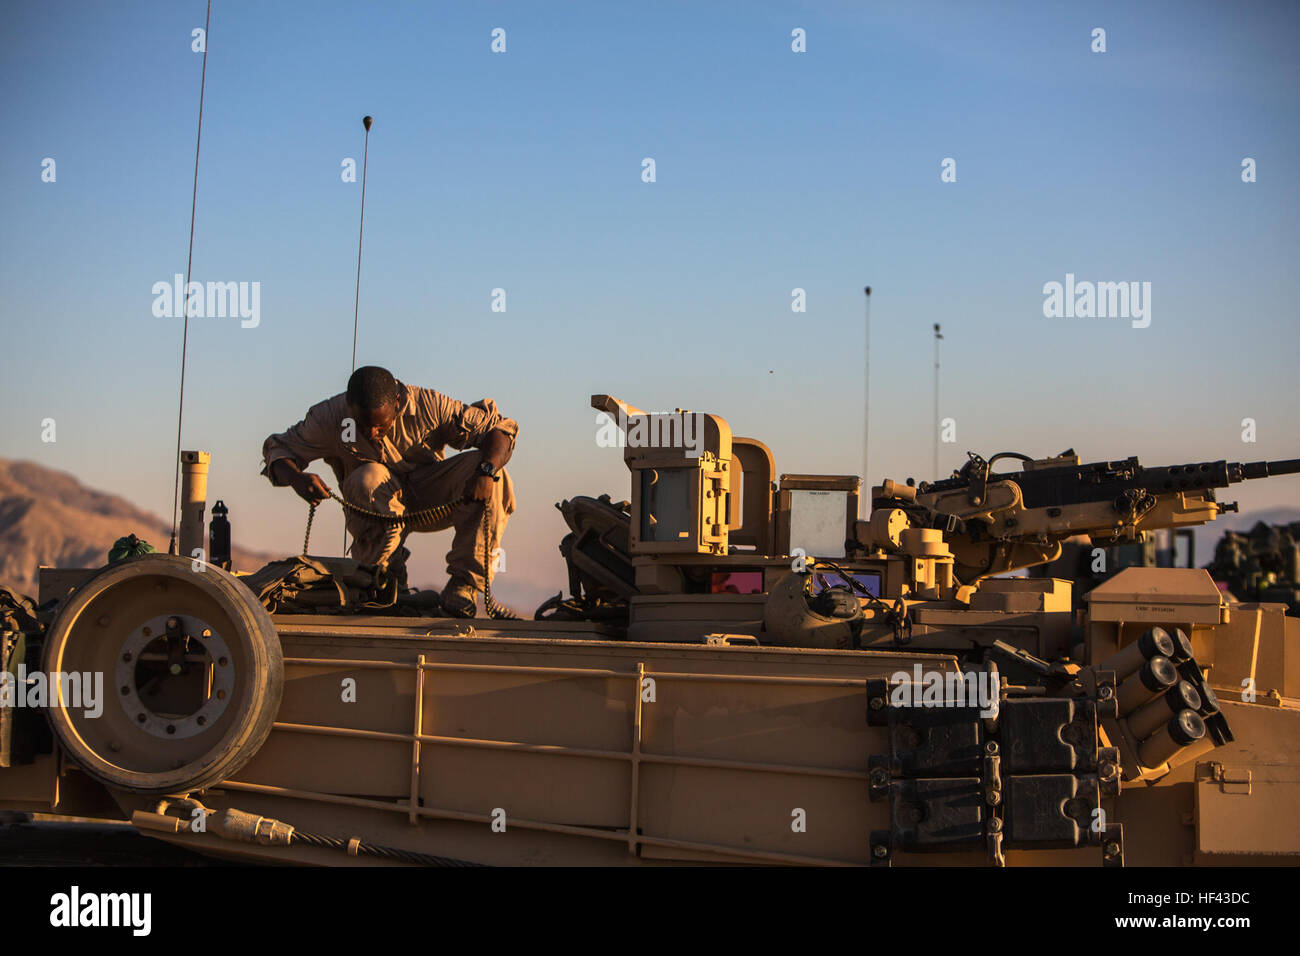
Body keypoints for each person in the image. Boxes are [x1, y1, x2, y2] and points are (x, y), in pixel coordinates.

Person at [261, 366, 517, 617]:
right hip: (374, 509)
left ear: (397, 402)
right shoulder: (330, 416)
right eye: (363, 425)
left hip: (431, 499)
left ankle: (464, 586)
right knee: (368, 477)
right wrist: (297, 478)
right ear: (349, 404)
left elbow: (500, 430)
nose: (372, 433)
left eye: (380, 425)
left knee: (493, 475)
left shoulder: (429, 405)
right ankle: (384, 578)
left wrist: (486, 470)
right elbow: (279, 450)